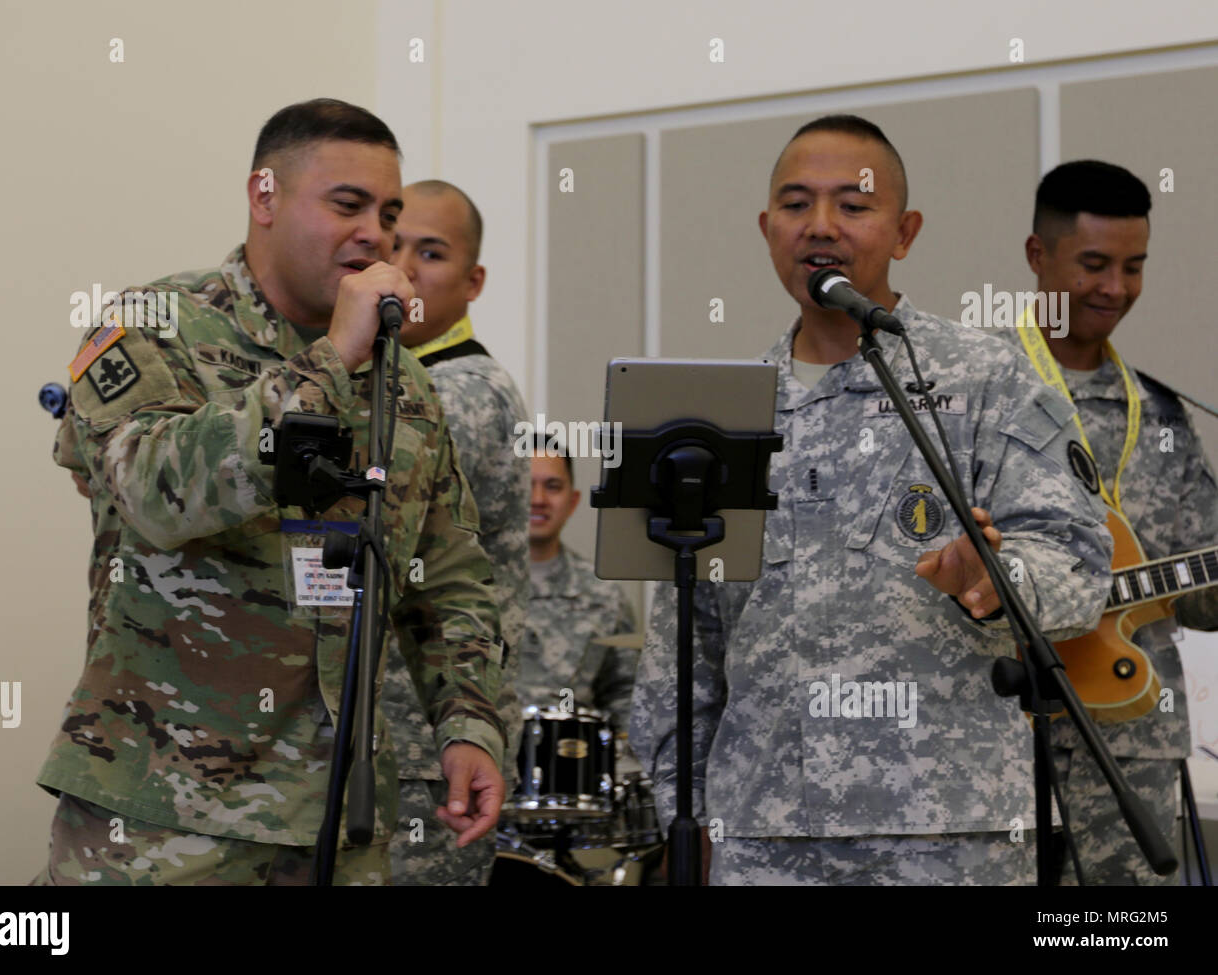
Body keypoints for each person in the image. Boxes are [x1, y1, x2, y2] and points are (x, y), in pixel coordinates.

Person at [629, 114, 1114, 885]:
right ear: (766, 227)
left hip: (950, 835)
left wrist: (998, 579)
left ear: (904, 231)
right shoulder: (724, 412)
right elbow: (685, 653)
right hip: (764, 838)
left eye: (853, 206)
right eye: (795, 205)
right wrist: (682, 816)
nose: (820, 226)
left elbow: (1080, 564)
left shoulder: (986, 379)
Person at [36, 99, 506, 885]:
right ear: (264, 198)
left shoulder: (406, 387)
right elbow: (156, 493)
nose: (375, 234)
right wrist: (330, 364)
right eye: (347, 204)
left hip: (338, 821)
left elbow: (448, 575)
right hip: (161, 817)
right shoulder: (154, 328)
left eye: (388, 213)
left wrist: (468, 725)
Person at [1015, 160, 1218, 884]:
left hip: (1132, 748)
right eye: (1094, 264)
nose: (1115, 289)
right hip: (987, 745)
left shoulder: (1161, 411)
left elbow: (1199, 588)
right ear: (1038, 256)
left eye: (1134, 267)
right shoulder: (972, 389)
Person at [380, 179, 530, 885]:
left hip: (427, 740)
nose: (404, 266)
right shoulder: (391, 376)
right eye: (394, 241)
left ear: (473, 282)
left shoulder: (464, 390)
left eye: (431, 253)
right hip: (384, 740)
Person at [522, 441, 637, 726]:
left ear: (572, 501)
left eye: (552, 486)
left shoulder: (603, 594)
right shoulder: (470, 585)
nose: (538, 499)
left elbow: (625, 695)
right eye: (526, 484)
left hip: (568, 757)